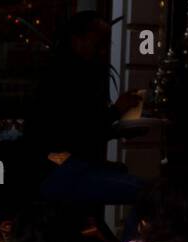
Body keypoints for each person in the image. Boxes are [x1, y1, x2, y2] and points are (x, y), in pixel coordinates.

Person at [24, 12, 143, 211]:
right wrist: (115, 112)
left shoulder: (74, 72)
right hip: (57, 170)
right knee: (146, 194)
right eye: (99, 43)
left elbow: (81, 131)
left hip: (62, 168)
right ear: (78, 40)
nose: (104, 50)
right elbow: (74, 132)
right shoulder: (64, 76)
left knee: (140, 188)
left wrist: (119, 130)